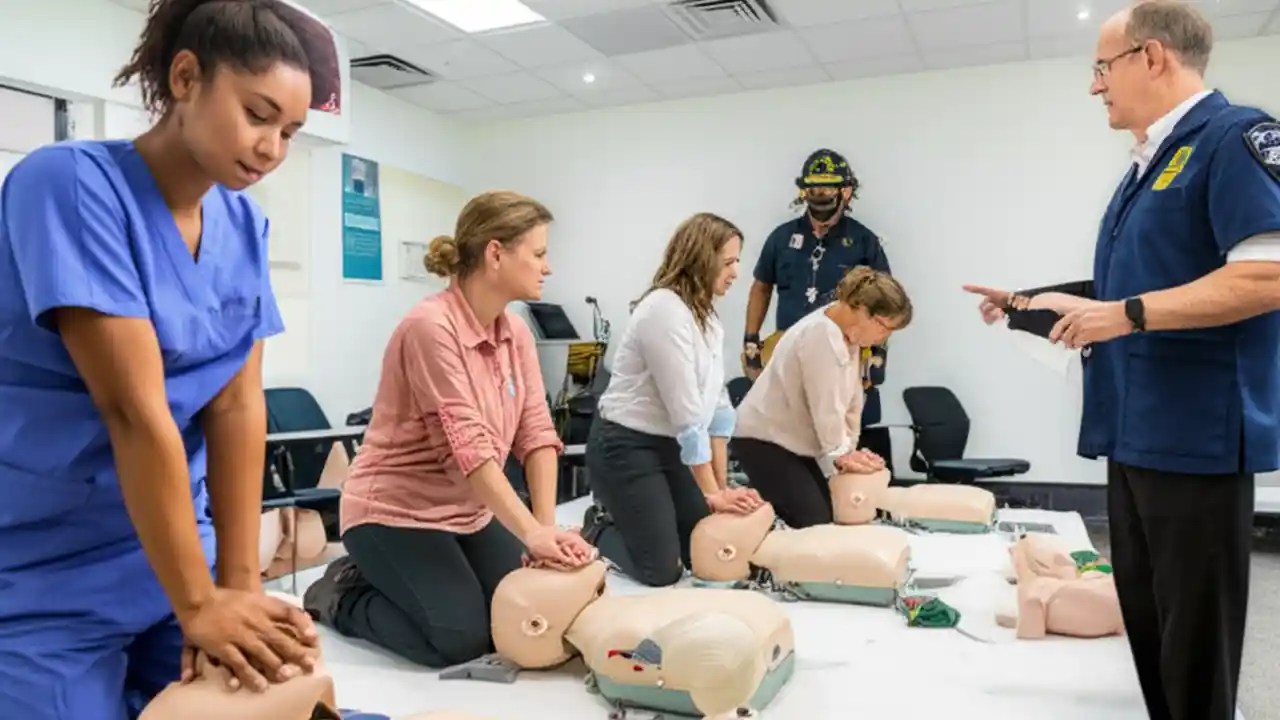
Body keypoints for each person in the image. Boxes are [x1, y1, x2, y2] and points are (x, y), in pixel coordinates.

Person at [0, 0, 325, 716]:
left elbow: (238, 404)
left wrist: (238, 584)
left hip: (175, 547)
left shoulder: (242, 222)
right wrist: (200, 601)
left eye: (290, 131)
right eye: (258, 113)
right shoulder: (68, 184)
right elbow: (133, 409)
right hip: (41, 565)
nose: (272, 146)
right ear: (185, 77)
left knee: (277, 695)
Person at [965, 2, 1280, 718]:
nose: (1095, 85)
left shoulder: (1235, 139)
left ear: (1154, 57)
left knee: (1194, 650)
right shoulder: (1149, 164)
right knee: (1150, 630)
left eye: (1102, 67)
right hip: (1136, 435)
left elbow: (1267, 274)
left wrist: (1127, 313)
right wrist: (1033, 303)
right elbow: (1134, 289)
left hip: (1196, 440)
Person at [303, 191, 596, 668]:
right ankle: (341, 592)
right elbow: (470, 449)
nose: (548, 267)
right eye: (539, 254)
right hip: (392, 513)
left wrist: (541, 531)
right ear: (496, 254)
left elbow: (537, 431)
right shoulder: (430, 327)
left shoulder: (515, 331)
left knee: (516, 619)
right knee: (462, 639)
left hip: (467, 513)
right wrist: (528, 534)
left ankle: (414, 579)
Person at [581, 213, 765, 587]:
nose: (736, 272)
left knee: (699, 551)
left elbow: (716, 411)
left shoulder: (708, 318)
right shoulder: (664, 310)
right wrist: (711, 493)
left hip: (672, 447)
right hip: (625, 446)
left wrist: (721, 487)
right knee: (661, 570)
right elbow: (688, 417)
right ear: (702, 257)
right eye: (729, 262)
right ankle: (597, 527)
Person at [732, 267, 911, 529]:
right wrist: (840, 454)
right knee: (813, 522)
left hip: (796, 443)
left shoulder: (850, 339)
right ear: (861, 310)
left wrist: (851, 454)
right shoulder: (821, 334)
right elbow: (826, 407)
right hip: (764, 439)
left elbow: (851, 405)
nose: (884, 337)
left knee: (832, 511)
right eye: (885, 328)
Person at [743, 148, 894, 450]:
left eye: (827, 188)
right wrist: (750, 339)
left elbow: (886, 303)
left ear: (846, 191)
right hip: (789, 350)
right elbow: (761, 287)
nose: (819, 194)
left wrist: (878, 352)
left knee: (841, 427)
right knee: (792, 429)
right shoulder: (781, 238)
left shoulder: (864, 241)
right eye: (813, 188)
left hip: (845, 353)